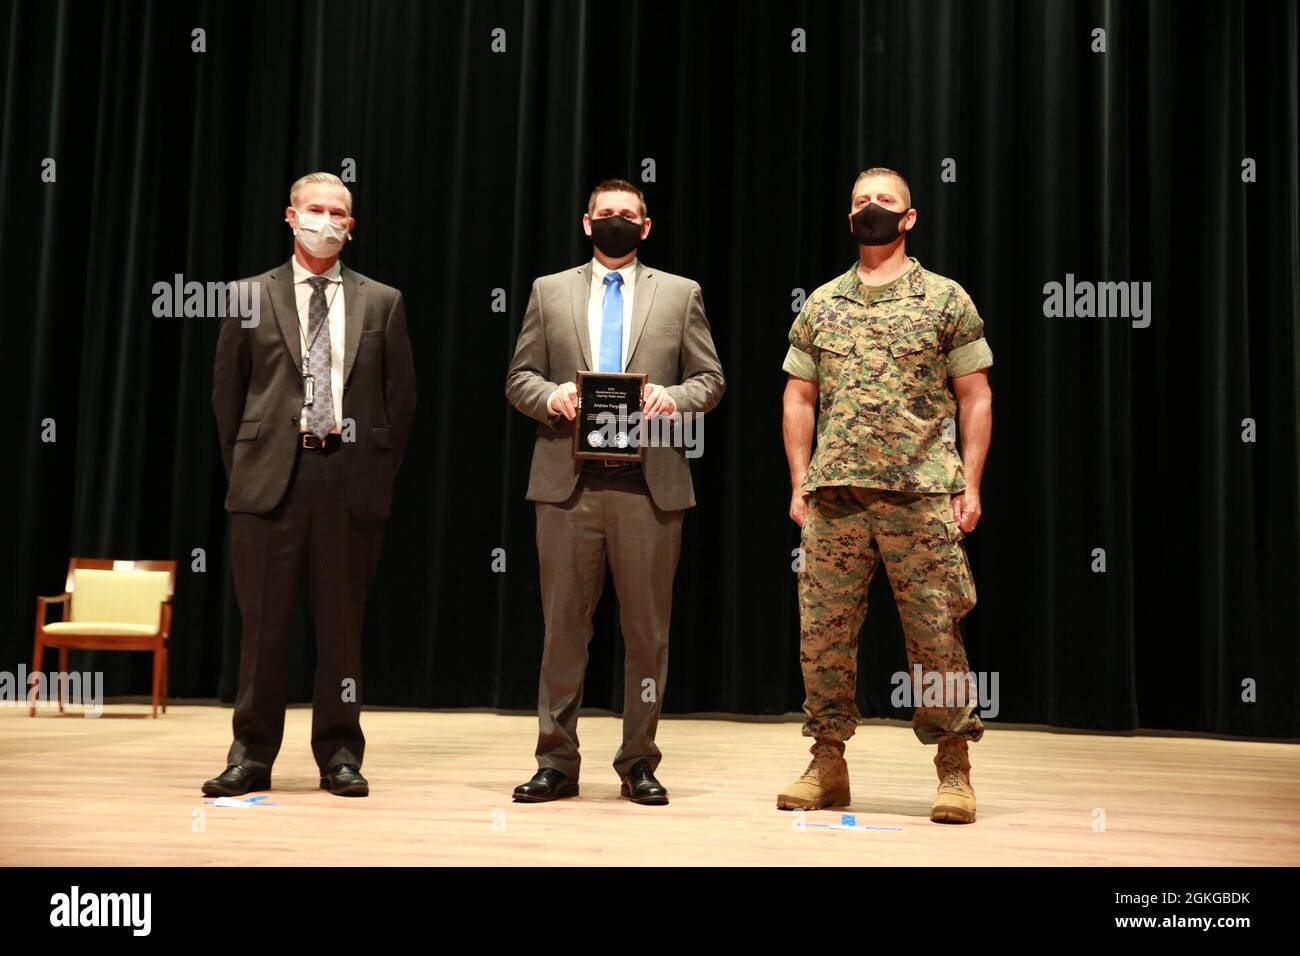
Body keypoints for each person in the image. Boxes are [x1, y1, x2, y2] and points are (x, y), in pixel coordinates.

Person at [779, 167, 993, 823]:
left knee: (936, 636)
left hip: (921, 494)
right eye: (861, 201)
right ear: (849, 218)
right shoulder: (821, 303)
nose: (872, 208)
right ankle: (827, 762)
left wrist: (971, 484)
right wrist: (799, 483)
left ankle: (954, 768)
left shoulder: (945, 299)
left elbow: (976, 396)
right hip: (835, 497)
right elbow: (798, 396)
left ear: (910, 218)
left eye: (886, 201)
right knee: (823, 638)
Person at [505, 178, 725, 805]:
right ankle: (556, 762)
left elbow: (710, 380)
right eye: (607, 214)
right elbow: (519, 376)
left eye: (628, 215)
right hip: (567, 486)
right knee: (562, 630)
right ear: (586, 222)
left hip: (646, 487)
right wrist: (550, 397)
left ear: (646, 227)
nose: (617, 222)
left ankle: (638, 762)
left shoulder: (681, 295)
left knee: (648, 633)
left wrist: (671, 397)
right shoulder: (549, 291)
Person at [204, 172, 417, 799]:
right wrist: (250, 465)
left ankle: (340, 755)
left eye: (339, 212)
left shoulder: (383, 301)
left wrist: (371, 470)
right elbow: (227, 396)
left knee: (341, 625)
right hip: (271, 479)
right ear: (290, 216)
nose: (327, 220)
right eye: (315, 209)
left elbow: (399, 403)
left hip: (347, 479)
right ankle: (251, 755)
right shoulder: (247, 295)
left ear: (351, 225)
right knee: (264, 626)